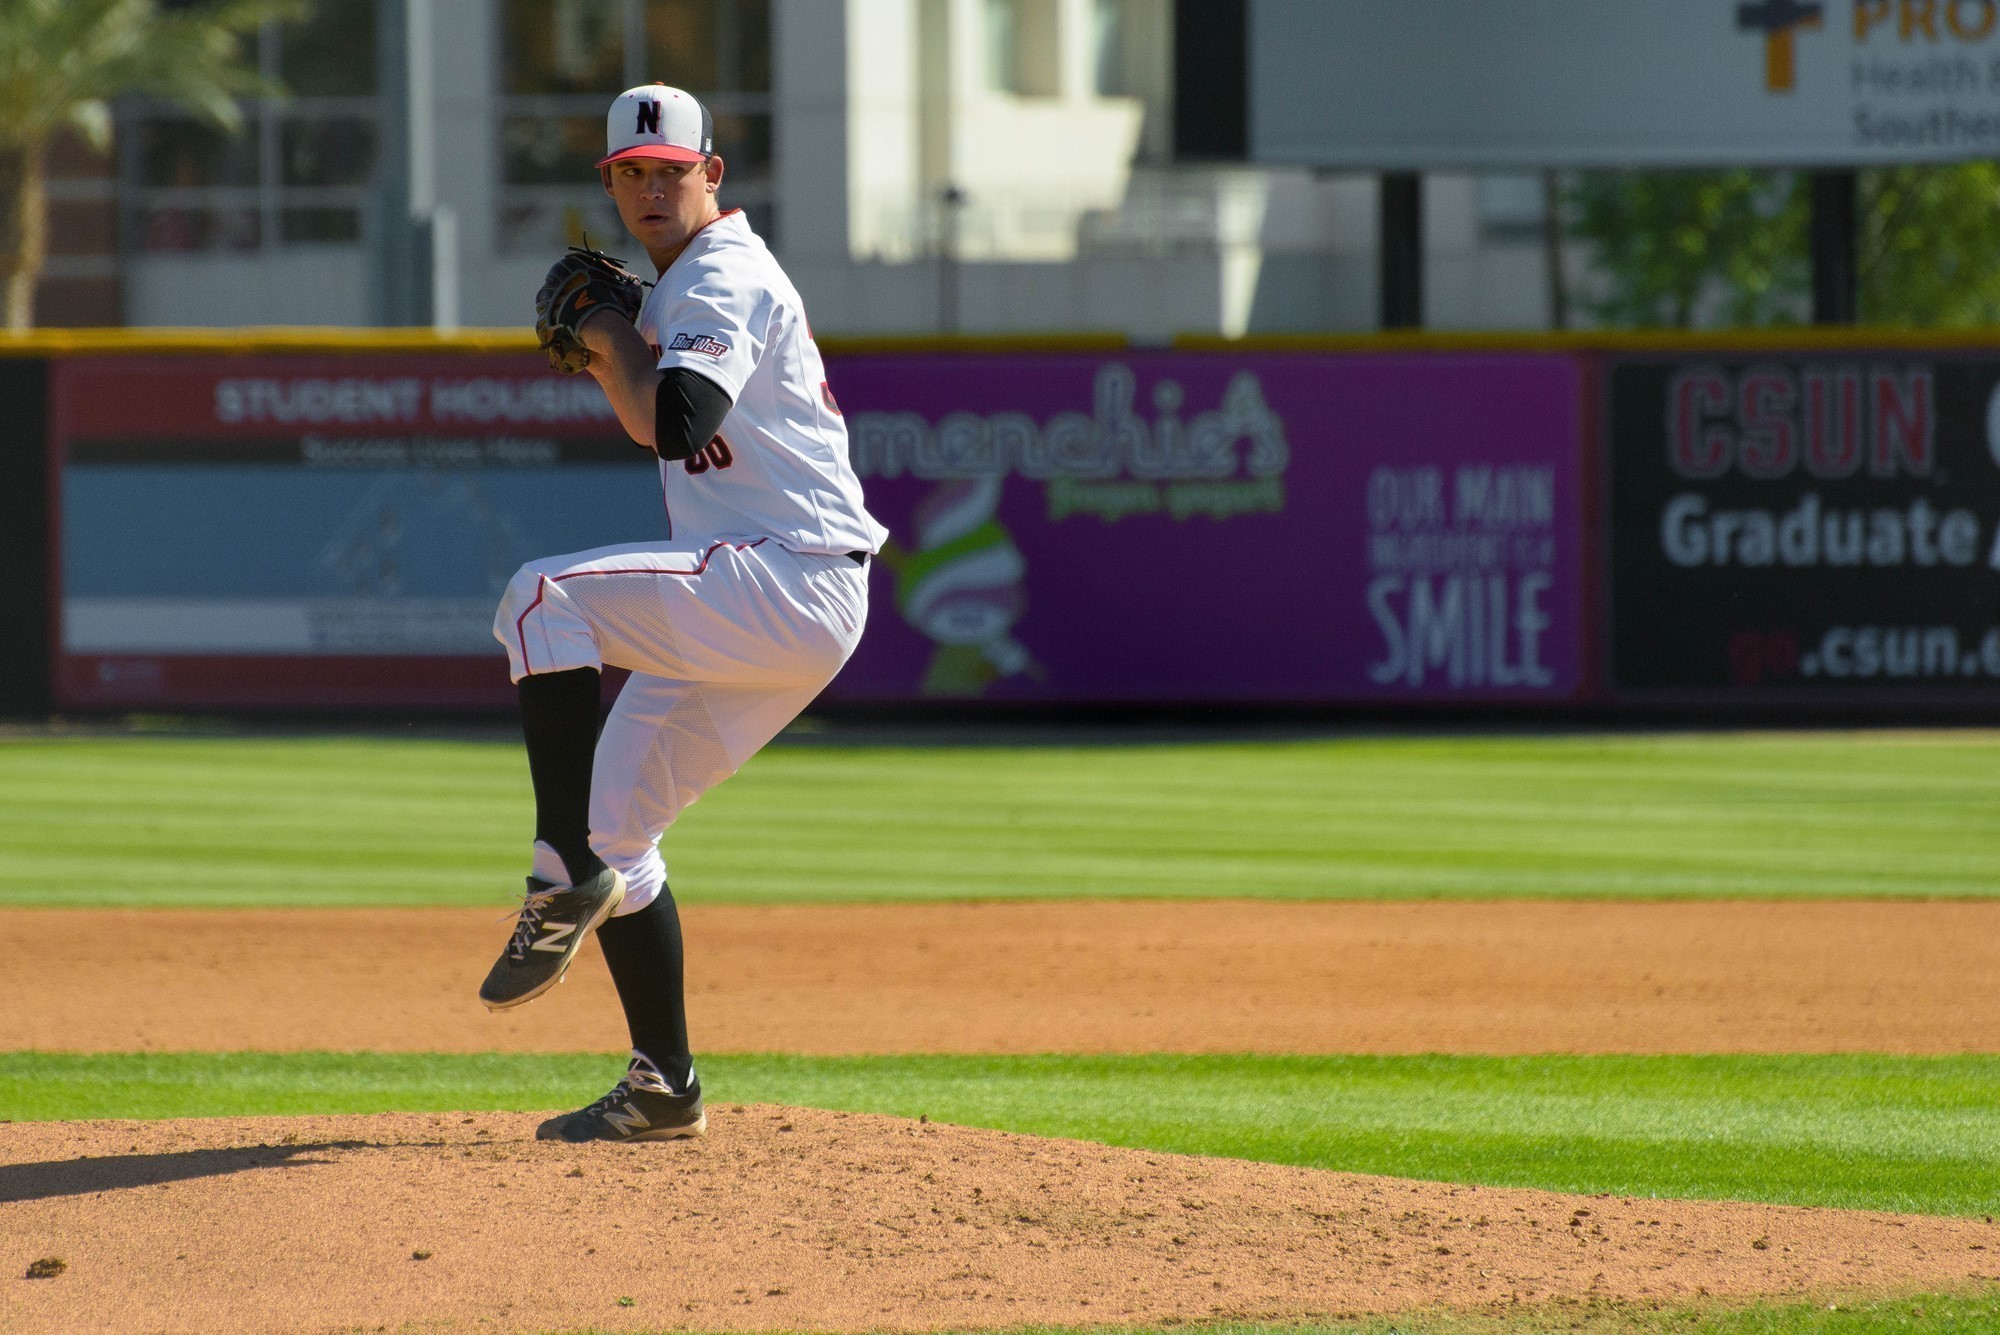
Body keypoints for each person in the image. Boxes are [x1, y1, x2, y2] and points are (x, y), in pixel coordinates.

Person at [479, 83, 886, 1143]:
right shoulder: (680, 289)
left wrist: (613, 331)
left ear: (711, 175)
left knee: (539, 598)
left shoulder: (722, 274)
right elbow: (653, 419)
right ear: (612, 185)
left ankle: (558, 869)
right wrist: (619, 338)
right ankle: (664, 1084)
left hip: (784, 576)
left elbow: (677, 420)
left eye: (672, 169)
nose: (653, 187)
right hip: (785, 598)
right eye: (632, 173)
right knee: (628, 825)